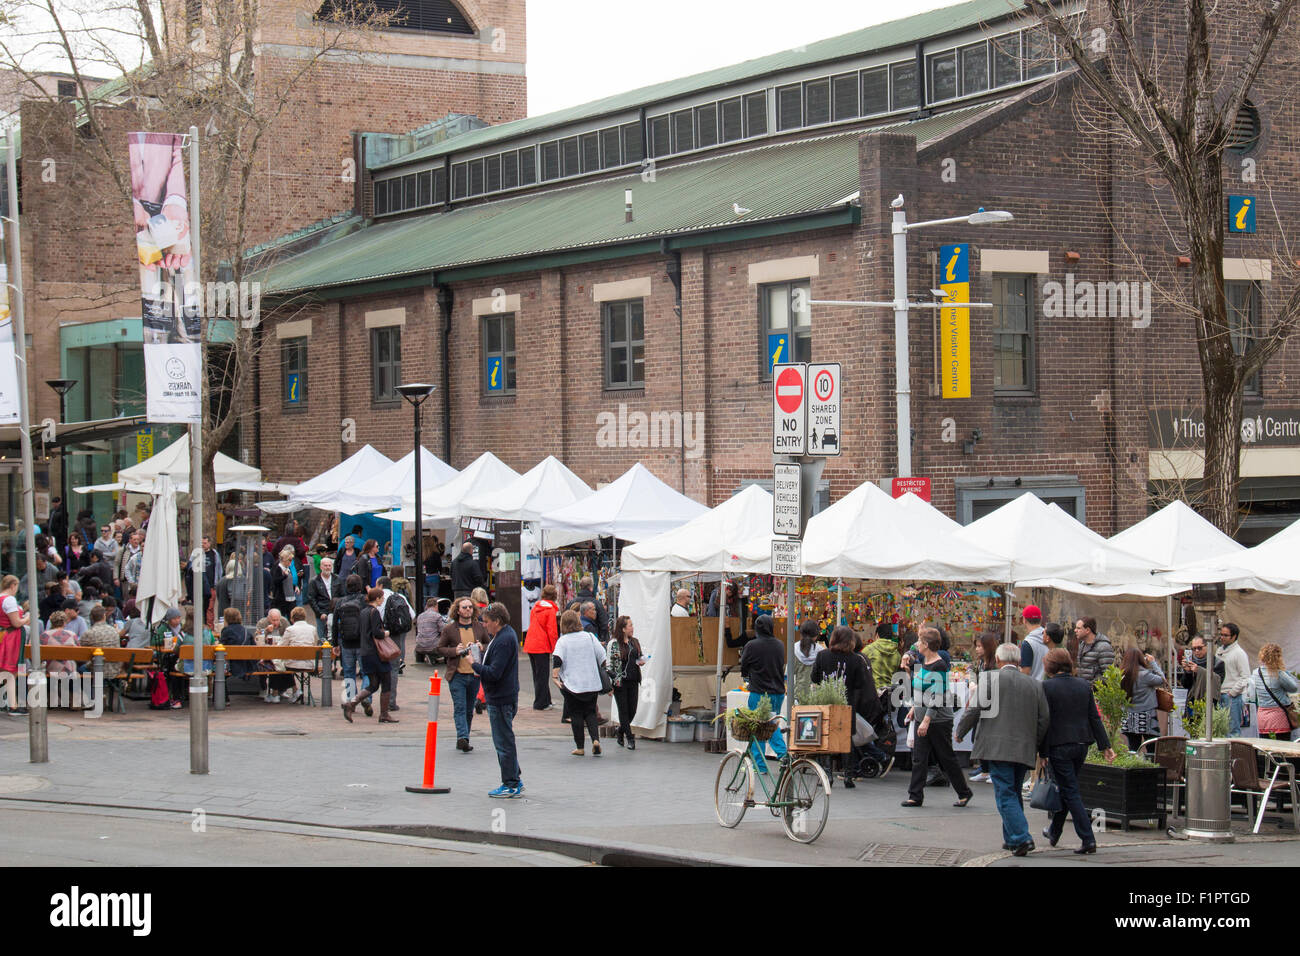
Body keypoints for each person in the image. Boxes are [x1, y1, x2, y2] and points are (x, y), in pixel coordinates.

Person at [953, 642, 1046, 853]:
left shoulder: (990, 680)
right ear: (1019, 660)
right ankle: (1012, 838)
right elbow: (1044, 719)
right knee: (1012, 791)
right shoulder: (1034, 684)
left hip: (997, 747)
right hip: (1023, 747)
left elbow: (974, 709)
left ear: (997, 660)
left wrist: (960, 732)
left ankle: (1022, 837)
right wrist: (1035, 741)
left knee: (1005, 793)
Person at [1039, 648, 1114, 854]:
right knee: (1067, 787)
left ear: (1050, 666)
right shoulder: (1083, 685)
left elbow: (1045, 722)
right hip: (1081, 743)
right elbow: (1094, 717)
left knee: (1070, 791)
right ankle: (1054, 831)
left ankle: (1088, 838)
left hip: (1058, 745)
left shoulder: (1046, 687)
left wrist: (1042, 752)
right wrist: (1105, 745)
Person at [902, 627, 974, 809]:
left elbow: (938, 696)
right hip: (922, 714)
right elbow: (919, 689)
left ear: (926, 645)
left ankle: (964, 792)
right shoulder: (924, 661)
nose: (916, 644)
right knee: (919, 757)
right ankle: (915, 795)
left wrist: (926, 720)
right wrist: (914, 708)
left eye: (919, 641)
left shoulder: (939, 665)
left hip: (938, 720)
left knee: (946, 756)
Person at [813, 625, 883, 787]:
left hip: (827, 701)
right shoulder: (855, 659)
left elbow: (815, 677)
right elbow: (861, 683)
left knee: (826, 737)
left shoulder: (822, 656)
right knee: (846, 739)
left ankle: (827, 774)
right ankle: (848, 775)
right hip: (847, 702)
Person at [473, 602, 523, 797]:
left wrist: (474, 664)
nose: (484, 625)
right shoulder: (503, 636)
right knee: (504, 739)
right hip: (503, 695)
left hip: (501, 697)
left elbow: (494, 673)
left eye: (486, 622)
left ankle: (510, 783)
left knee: (503, 741)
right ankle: (514, 777)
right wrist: (481, 652)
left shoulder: (504, 640)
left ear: (497, 621)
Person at [553, 608, 608, 756]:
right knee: (590, 712)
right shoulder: (589, 636)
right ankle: (595, 740)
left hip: (572, 684)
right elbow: (603, 657)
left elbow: (557, 660)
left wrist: (555, 676)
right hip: (591, 682)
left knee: (576, 714)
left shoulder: (563, 641)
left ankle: (580, 747)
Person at [739, 613, 788, 774]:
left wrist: (749, 676)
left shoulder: (752, 645)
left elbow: (744, 666)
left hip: (760, 692)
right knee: (771, 725)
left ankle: (763, 764)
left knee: (759, 729)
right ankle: (783, 756)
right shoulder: (779, 645)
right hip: (778, 692)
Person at [437, 597, 488, 751]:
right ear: (457, 610)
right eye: (464, 607)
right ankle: (462, 737)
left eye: (470, 607)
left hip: (474, 674)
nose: (468, 610)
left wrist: (482, 646)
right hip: (457, 674)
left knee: (469, 708)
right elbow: (439, 649)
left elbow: (489, 643)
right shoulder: (450, 629)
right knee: (460, 707)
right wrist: (455, 651)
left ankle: (465, 736)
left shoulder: (479, 627)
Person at [342, 587, 397, 723]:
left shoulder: (362, 612)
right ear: (377, 599)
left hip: (365, 652)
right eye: (382, 598)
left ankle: (351, 703)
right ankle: (384, 714)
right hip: (376, 653)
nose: (383, 600)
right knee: (386, 682)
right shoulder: (375, 612)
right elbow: (376, 633)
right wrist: (386, 633)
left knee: (373, 684)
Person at [606, 614, 646, 748]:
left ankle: (621, 730)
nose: (632, 628)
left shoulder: (634, 642)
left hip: (633, 679)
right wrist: (612, 681)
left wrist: (641, 661)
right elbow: (609, 665)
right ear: (623, 629)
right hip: (620, 682)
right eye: (630, 625)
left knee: (632, 710)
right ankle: (630, 739)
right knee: (623, 710)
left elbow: (639, 656)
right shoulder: (614, 644)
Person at [1119, 648, 1165, 751]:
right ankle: (1150, 766)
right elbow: (1162, 679)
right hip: (1146, 715)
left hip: (1129, 715)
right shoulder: (1145, 675)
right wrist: (1153, 663)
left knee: (1133, 747)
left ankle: (1133, 766)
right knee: (1151, 747)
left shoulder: (1122, 675)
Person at [1251, 643, 1298, 741]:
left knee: (1265, 747)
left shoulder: (1255, 673)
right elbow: (1293, 688)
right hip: (1279, 716)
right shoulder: (1278, 673)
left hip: (1262, 716)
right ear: (1278, 657)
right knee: (1282, 747)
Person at [271, 606, 317, 704]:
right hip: (309, 663)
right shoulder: (312, 629)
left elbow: (281, 646)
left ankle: (275, 694)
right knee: (283, 664)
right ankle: (294, 691)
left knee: (277, 664)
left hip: (293, 664)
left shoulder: (290, 630)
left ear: (292, 618)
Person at [333, 574, 368, 705]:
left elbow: (335, 624)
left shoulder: (340, 602)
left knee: (349, 673)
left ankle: (351, 699)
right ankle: (365, 696)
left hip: (346, 642)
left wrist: (335, 643)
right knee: (366, 672)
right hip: (362, 642)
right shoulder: (364, 600)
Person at [524, 583, 560, 710]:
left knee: (538, 674)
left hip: (531, 643)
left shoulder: (535, 607)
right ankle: (540, 703)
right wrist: (556, 648)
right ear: (554, 596)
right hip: (541, 645)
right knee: (543, 675)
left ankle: (546, 699)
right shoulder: (550, 610)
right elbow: (552, 631)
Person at [382, 577, 413, 709]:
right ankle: (390, 702)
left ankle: (365, 697)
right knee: (393, 669)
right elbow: (412, 615)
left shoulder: (376, 596)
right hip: (395, 637)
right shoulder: (400, 597)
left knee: (372, 671)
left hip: (379, 636)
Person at [1177, 634, 1223, 722]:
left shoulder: (1217, 663)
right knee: (1192, 729)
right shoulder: (1190, 662)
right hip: (1192, 702)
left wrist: (1199, 671)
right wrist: (1188, 672)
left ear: (1207, 647)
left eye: (1199, 648)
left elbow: (1218, 682)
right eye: (1194, 649)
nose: (1196, 651)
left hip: (1209, 703)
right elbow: (1185, 684)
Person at [1217, 622, 1250, 737]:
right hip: (1219, 694)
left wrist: (1233, 692)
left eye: (1225, 635)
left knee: (1232, 731)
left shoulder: (1239, 653)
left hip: (1231, 696)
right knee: (1220, 729)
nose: (1222, 637)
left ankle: (1234, 754)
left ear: (1234, 636)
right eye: (1221, 634)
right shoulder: (1219, 651)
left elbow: (1245, 676)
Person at [306, 556, 339, 645]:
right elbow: (311, 599)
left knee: (335, 637)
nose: (327, 567)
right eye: (325, 565)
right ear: (321, 567)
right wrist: (319, 613)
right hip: (321, 612)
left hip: (335, 611)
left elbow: (342, 595)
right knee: (322, 639)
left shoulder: (337, 579)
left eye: (329, 565)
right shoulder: (314, 581)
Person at [1074, 617, 1115, 684]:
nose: (1075, 630)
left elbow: (1108, 675)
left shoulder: (1103, 647)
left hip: (1095, 692)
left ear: (1087, 630)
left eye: (1078, 628)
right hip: (1083, 690)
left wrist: (1093, 687)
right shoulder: (1082, 645)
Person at [219, 607, 255, 678]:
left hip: (233, 666)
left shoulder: (226, 630)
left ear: (227, 619)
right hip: (247, 666)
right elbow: (254, 646)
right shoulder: (246, 630)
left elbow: (221, 647)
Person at [40, 611, 79, 676]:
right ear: (64, 623)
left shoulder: (45, 635)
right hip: (70, 671)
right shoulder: (72, 635)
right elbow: (79, 653)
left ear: (52, 622)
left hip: (51, 670)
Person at [792, 619, 820, 702]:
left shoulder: (794, 649)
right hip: (817, 696)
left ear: (801, 633)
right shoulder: (821, 651)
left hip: (798, 695)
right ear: (816, 635)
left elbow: (789, 673)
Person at [1018, 605, 1048, 680]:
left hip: (1033, 687)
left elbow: (1025, 672)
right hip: (1049, 685)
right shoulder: (1049, 637)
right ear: (1041, 618)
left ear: (1024, 620)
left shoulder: (1028, 643)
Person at [414, 597, 446, 665]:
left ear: (427, 606)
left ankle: (430, 657)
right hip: (433, 646)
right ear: (436, 606)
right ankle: (438, 658)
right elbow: (443, 631)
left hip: (419, 645)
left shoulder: (420, 616)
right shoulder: (437, 616)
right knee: (448, 639)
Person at [270, 546, 300, 619]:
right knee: (282, 619)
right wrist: (284, 576)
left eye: (291, 560)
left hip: (291, 597)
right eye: (289, 560)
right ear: (284, 560)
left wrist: (295, 587)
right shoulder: (278, 568)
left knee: (293, 618)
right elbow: (275, 581)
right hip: (282, 599)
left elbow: (289, 581)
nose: (290, 562)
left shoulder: (287, 568)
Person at [575, 575, 607, 639]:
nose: (594, 612)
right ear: (591, 588)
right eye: (593, 610)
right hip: (594, 639)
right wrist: (601, 639)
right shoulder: (597, 604)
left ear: (580, 587)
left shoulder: (572, 603)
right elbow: (604, 623)